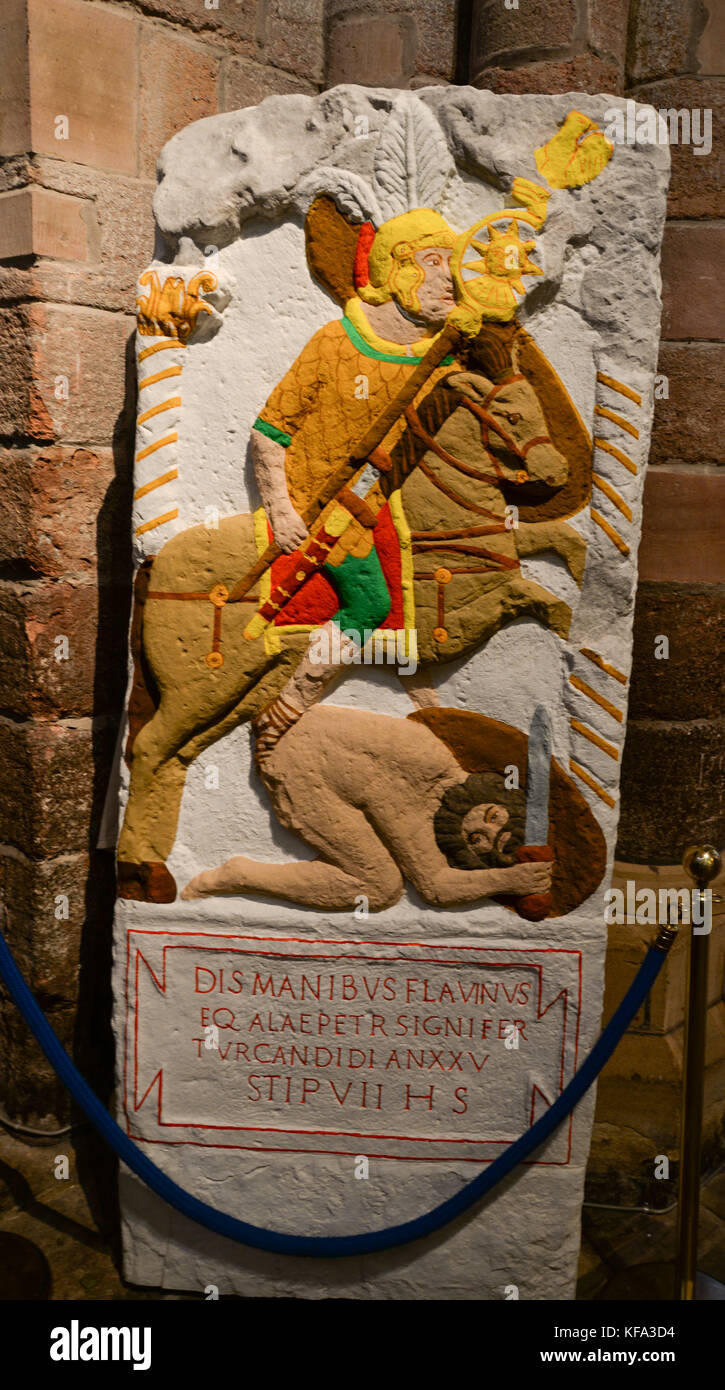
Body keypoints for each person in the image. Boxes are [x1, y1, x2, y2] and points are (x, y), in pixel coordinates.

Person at [249, 209, 462, 766]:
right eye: (432, 263)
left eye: (454, 265)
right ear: (395, 270)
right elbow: (269, 434)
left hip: (375, 502)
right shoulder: (335, 343)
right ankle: (287, 708)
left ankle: (425, 704)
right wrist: (282, 507)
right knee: (370, 602)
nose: (449, 280)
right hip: (322, 504)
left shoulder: (436, 361)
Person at [182, 705, 553, 912]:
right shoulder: (421, 791)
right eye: (492, 818)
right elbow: (435, 887)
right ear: (497, 801)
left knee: (380, 881)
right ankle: (241, 875)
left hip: (324, 753)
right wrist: (509, 881)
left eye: (480, 840)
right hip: (302, 765)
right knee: (378, 889)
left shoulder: (442, 783)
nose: (479, 825)